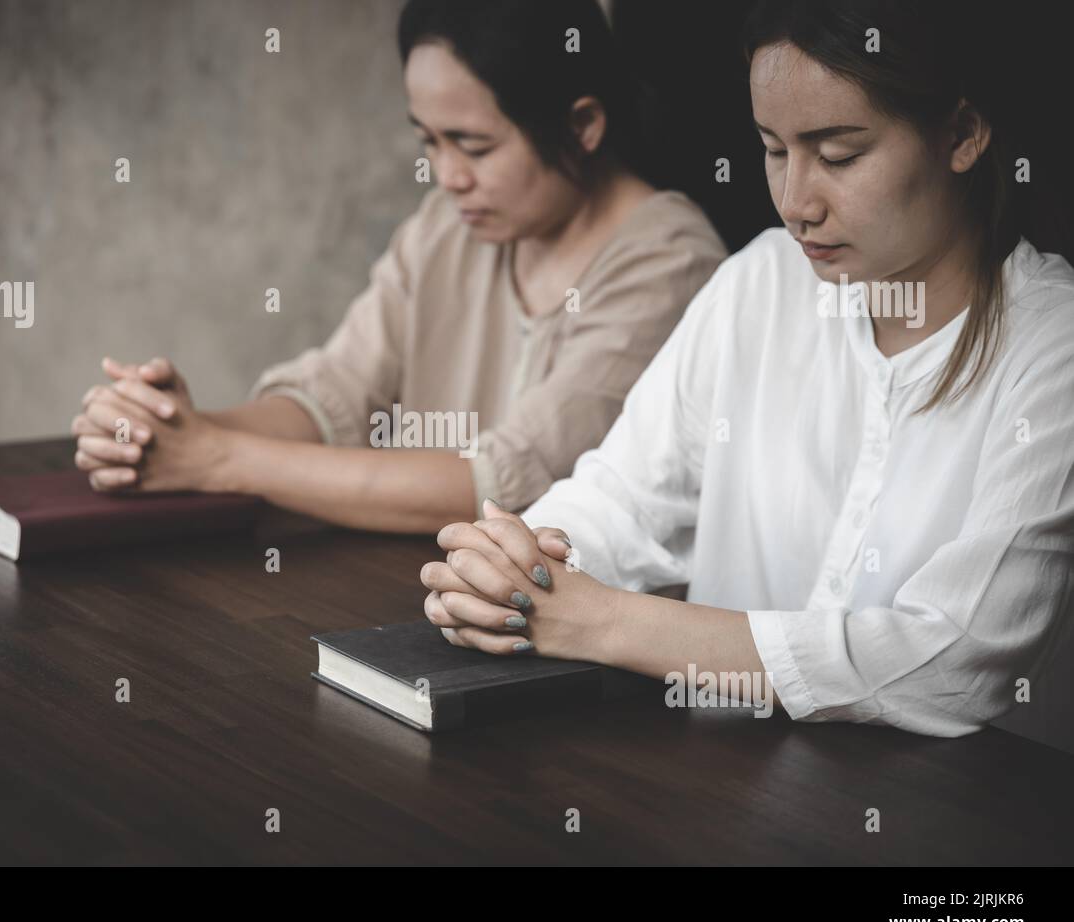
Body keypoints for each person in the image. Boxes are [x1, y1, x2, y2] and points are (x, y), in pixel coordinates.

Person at [419, 0, 1074, 737]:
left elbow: (953, 658)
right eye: (772, 149)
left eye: (838, 156)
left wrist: (600, 622)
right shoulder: (759, 283)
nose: (796, 202)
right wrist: (511, 569)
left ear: (961, 133)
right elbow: (622, 498)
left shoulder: (1053, 344)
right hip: (712, 799)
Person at [70, 0, 724, 533]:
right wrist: (170, 428)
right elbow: (335, 393)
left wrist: (217, 458)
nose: (447, 176)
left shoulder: (670, 264)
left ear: (583, 125)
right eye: (429, 142)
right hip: (425, 595)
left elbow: (494, 487)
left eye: (473, 145)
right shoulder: (447, 226)